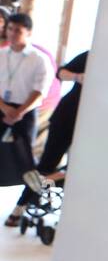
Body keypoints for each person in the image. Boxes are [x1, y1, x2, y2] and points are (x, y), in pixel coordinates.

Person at [13, 49, 87, 207]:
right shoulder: (92, 55)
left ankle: (53, 181)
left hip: (94, 124)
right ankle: (20, 206)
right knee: (47, 163)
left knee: (81, 166)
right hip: (67, 117)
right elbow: (60, 72)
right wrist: (77, 77)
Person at [1, 13, 55, 225]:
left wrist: (20, 111)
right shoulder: (2, 54)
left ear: (28, 32)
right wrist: (5, 108)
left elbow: (40, 91)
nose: (12, 34)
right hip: (3, 108)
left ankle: (21, 207)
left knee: (26, 163)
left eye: (18, 30)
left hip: (25, 112)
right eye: (10, 29)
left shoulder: (39, 59)